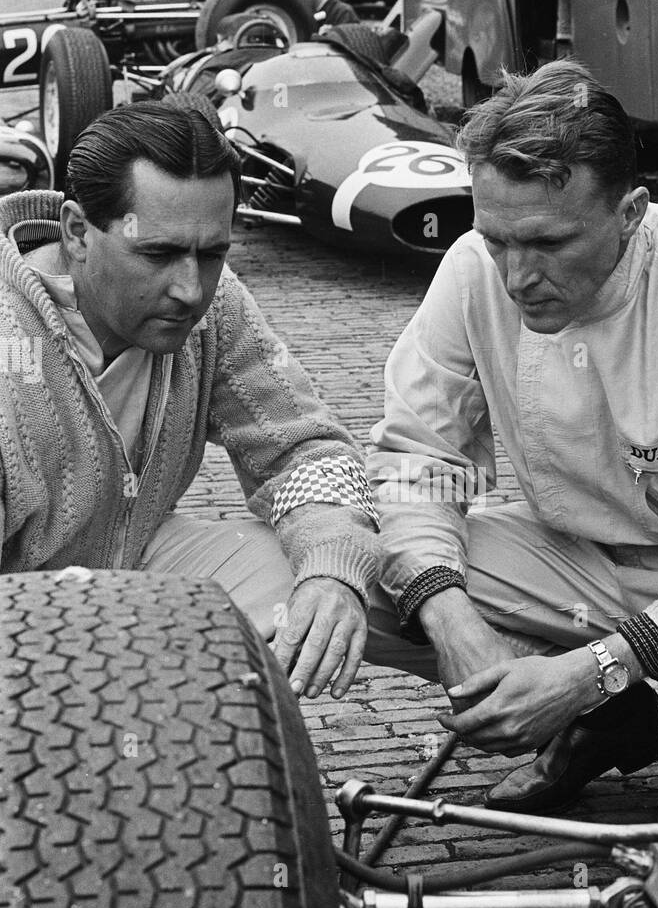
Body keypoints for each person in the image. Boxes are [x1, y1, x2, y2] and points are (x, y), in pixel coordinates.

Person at [364, 59, 658, 814]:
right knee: (362, 569)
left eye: (550, 243)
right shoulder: (472, 272)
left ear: (632, 213)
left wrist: (595, 665)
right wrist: (449, 615)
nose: (517, 277)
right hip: (571, 558)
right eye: (497, 240)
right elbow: (422, 456)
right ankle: (608, 721)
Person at [0, 99, 379, 703]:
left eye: (212, 253)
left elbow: (307, 447)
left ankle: (573, 706)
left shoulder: (214, 301)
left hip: (135, 557)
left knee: (344, 572)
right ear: (77, 233)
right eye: (157, 254)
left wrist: (333, 568)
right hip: (18, 613)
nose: (191, 289)